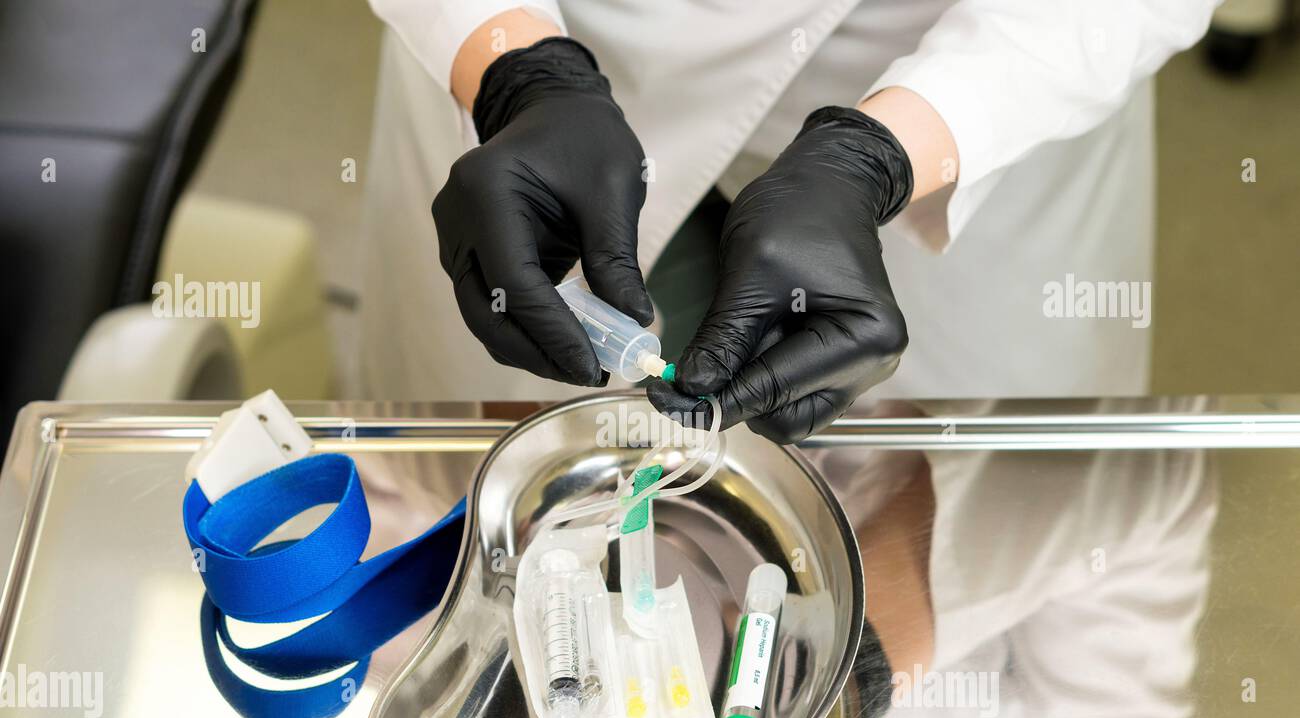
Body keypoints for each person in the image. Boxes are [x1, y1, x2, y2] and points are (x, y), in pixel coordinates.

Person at [360, 1, 1219, 442]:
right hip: (551, 26)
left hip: (969, 63)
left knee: (953, 510)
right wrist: (510, 66)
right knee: (471, 484)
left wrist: (888, 151)